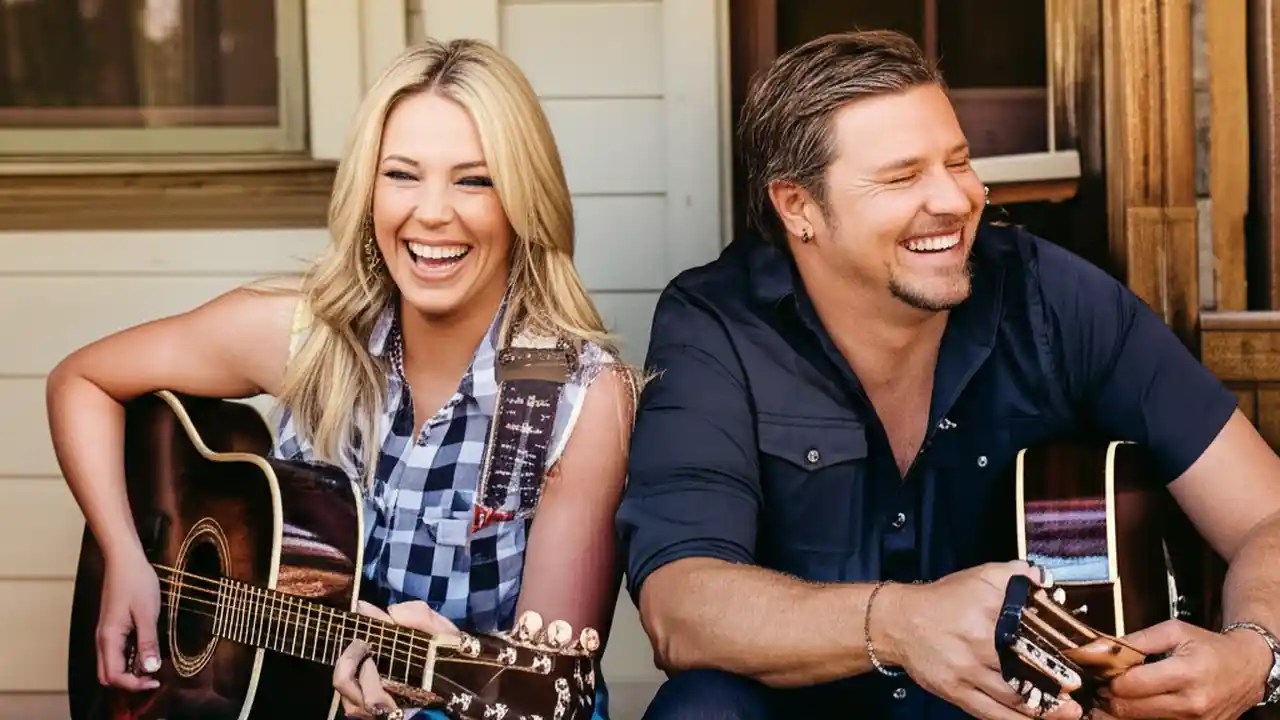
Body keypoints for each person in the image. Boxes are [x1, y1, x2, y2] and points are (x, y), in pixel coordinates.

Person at [616, 29, 1280, 720]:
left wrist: (1255, 652)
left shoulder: (1054, 299)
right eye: (903, 177)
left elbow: (1267, 512)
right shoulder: (717, 324)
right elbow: (681, 606)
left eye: (958, 162)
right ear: (798, 206)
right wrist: (899, 623)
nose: (956, 200)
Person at [46, 38, 636, 720]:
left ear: (523, 202)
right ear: (367, 189)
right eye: (401, 175)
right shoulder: (303, 337)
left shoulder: (573, 399)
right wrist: (126, 556)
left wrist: (431, 689)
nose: (432, 212)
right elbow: (81, 382)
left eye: (474, 180)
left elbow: (550, 698)